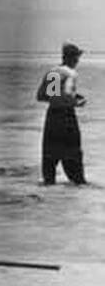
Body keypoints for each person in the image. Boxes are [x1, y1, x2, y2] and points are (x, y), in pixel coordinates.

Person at [38, 43, 86, 185]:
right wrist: (77, 103)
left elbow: (42, 96)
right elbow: (65, 93)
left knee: (50, 158)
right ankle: (77, 194)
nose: (78, 61)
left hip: (52, 117)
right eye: (77, 58)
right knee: (73, 158)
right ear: (73, 58)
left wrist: (63, 98)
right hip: (66, 117)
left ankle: (50, 193)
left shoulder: (53, 72)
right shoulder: (70, 73)